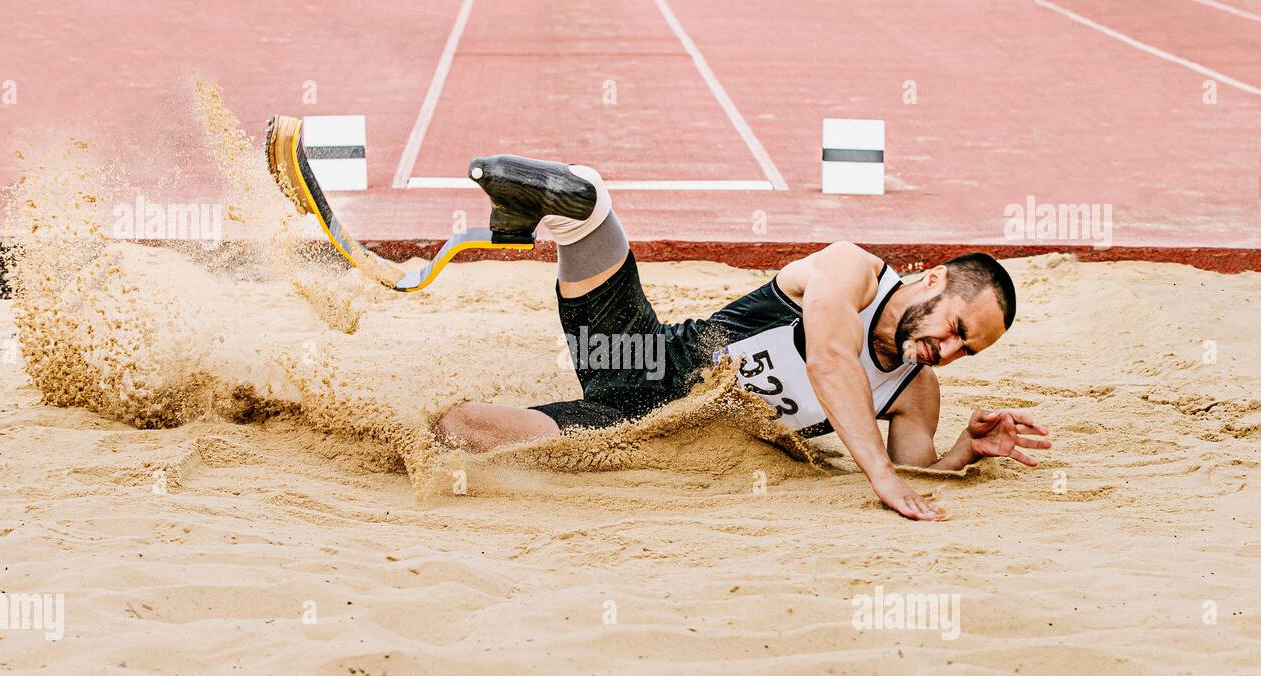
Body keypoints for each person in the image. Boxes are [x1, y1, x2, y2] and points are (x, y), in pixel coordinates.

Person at [426, 155, 1051, 521]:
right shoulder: (851, 269)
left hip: (647, 434)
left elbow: (919, 471)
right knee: (591, 237)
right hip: (652, 361)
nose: (947, 351)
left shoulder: (916, 391)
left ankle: (403, 431)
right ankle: (578, 207)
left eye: (967, 351)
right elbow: (830, 360)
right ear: (933, 279)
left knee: (461, 432)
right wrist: (878, 475)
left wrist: (967, 451)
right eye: (957, 329)